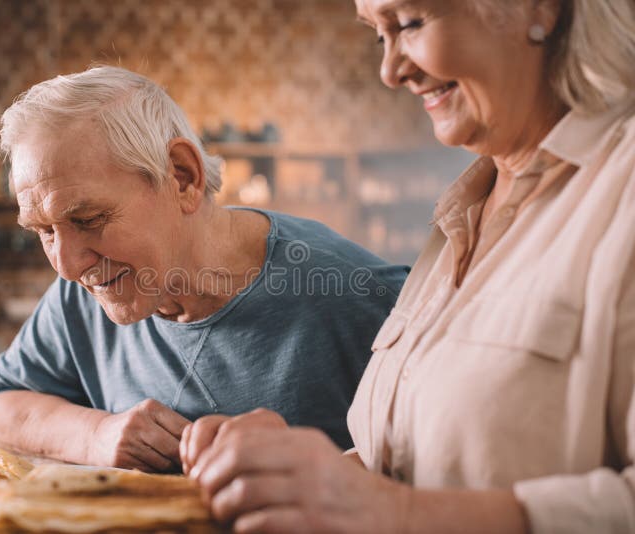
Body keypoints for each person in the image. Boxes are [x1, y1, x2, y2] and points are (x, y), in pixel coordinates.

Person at [181, 0, 635, 532]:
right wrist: (293, 475)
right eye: (380, 36)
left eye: (411, 24)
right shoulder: (463, 212)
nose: (390, 71)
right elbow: (414, 467)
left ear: (538, 9)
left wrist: (390, 512)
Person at [0, 66, 408, 473]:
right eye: (44, 232)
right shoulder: (88, 288)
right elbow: (2, 400)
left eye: (89, 220)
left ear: (182, 178)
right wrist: (95, 434)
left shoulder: (363, 298)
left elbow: (445, 464)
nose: (68, 266)